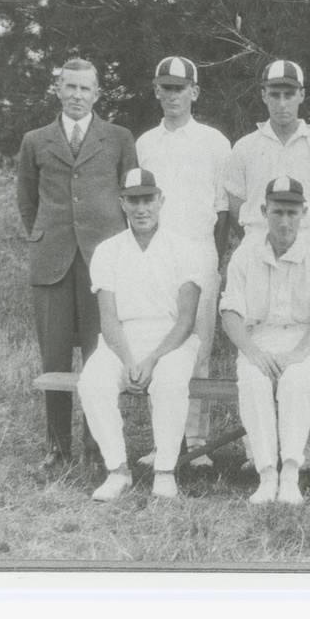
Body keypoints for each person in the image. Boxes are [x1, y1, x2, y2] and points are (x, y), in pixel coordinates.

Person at [16, 58, 138, 470]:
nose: (77, 95)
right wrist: (47, 236)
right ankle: (57, 447)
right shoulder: (36, 140)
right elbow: (27, 201)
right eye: (70, 87)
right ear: (58, 89)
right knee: (53, 357)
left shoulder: (118, 138)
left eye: (85, 88)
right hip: (51, 261)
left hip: (100, 262)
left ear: (97, 94)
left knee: (98, 355)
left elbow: (130, 196)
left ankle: (96, 446)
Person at [76, 169, 209, 501]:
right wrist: (128, 360)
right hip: (122, 340)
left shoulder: (186, 248)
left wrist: (150, 361)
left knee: (169, 383)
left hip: (172, 341)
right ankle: (118, 470)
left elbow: (186, 320)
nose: (141, 209)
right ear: (122, 203)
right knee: (92, 382)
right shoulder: (107, 250)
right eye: (133, 201)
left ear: (161, 201)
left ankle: (165, 471)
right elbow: (108, 319)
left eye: (148, 199)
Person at [219, 177, 310, 505]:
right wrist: (254, 353)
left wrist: (299, 353)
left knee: (296, 380)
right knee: (253, 380)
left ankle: (290, 475)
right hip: (260, 339)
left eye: (291, 213)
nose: (284, 221)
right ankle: (267, 474)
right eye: (277, 212)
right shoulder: (245, 253)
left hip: (307, 340)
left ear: (304, 213)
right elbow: (230, 313)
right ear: (264, 211)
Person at [135, 56, 230, 467]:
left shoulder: (215, 142)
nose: (173, 95)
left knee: (199, 347)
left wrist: (215, 259)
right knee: (159, 343)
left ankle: (196, 441)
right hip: (157, 257)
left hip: (199, 251)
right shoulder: (144, 144)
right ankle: (164, 442)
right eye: (166, 88)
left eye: (180, 88)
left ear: (195, 91)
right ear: (157, 90)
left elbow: (223, 208)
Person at [225, 60, 310, 245]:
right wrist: (256, 245)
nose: (281, 104)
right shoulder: (244, 147)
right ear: (263, 96)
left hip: (307, 244)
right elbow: (235, 208)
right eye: (274, 95)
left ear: (301, 95)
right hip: (257, 244)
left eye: (289, 95)